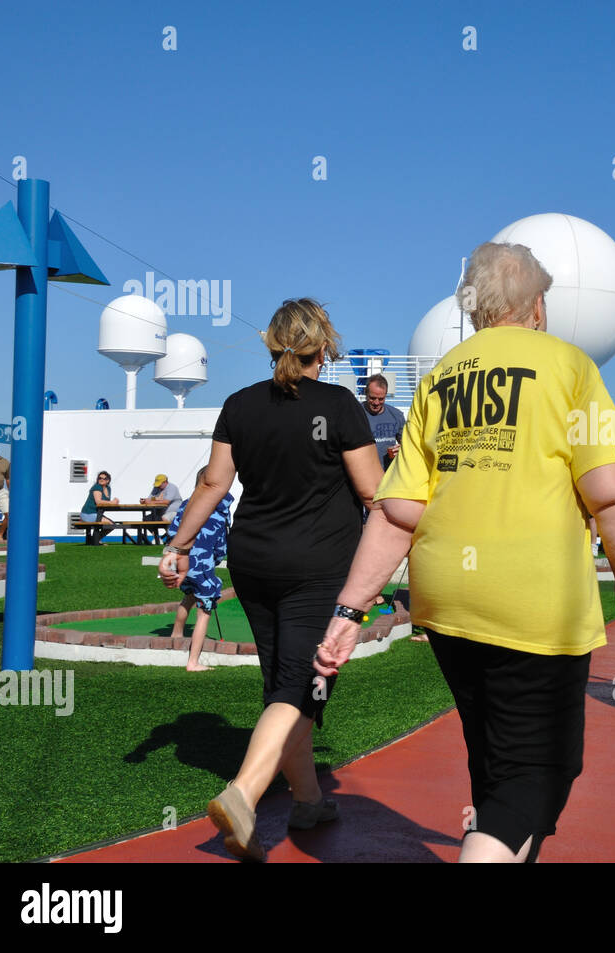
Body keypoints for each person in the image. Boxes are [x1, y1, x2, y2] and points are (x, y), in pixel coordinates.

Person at [316, 241, 615, 863]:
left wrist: (349, 610)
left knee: (495, 760)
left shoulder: (441, 377)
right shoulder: (571, 368)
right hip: (534, 600)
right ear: (538, 306)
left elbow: (397, 511)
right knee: (541, 771)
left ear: (473, 308)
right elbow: (611, 490)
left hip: (449, 601)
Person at [159, 298, 382, 862]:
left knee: (284, 683)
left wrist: (178, 545)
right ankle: (243, 795)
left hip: (253, 562)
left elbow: (212, 485)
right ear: (323, 347)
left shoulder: (239, 404)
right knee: (305, 684)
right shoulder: (339, 406)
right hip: (319, 568)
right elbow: (373, 494)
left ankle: (308, 802)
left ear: (271, 345)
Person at [165, 467, 233, 672]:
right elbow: (221, 544)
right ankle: (193, 661)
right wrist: (217, 557)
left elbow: (172, 533)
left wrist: (171, 555)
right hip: (202, 563)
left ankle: (176, 634)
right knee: (205, 611)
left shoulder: (186, 506)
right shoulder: (220, 512)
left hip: (181, 561)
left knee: (189, 595)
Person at [362, 373, 406, 469]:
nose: (376, 403)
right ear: (366, 393)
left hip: (389, 474)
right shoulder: (356, 413)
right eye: (372, 398)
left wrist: (402, 449)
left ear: (386, 395)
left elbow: (406, 443)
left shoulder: (397, 415)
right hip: (364, 473)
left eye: (381, 399)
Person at [79, 470, 119, 544]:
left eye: (104, 478)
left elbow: (105, 503)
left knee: (112, 524)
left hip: (96, 514)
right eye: (100, 478)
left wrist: (114, 501)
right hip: (88, 513)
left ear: (108, 480)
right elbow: (98, 502)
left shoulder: (108, 488)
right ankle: (95, 540)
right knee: (111, 525)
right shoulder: (97, 487)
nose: (101, 479)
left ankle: (94, 539)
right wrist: (112, 502)